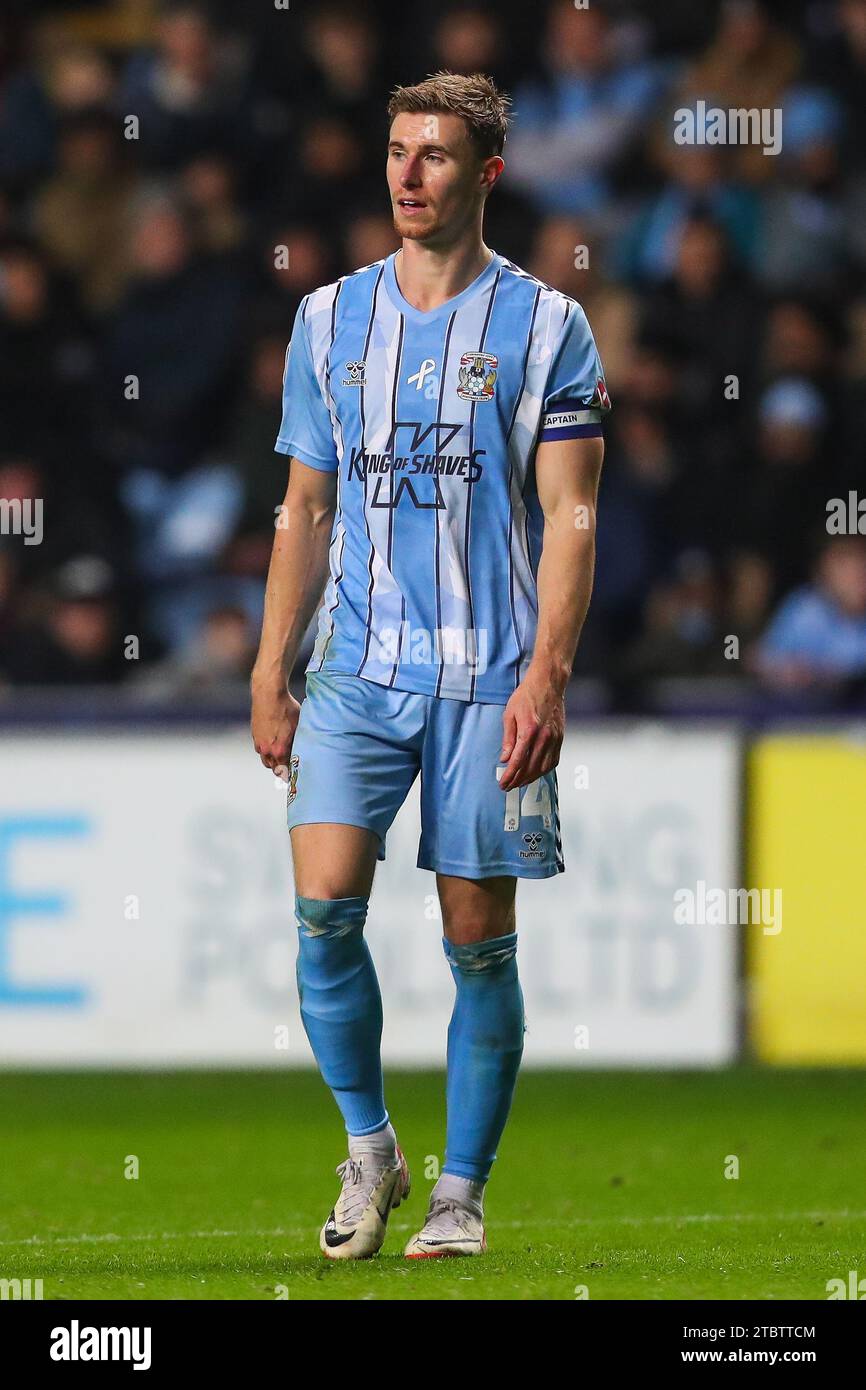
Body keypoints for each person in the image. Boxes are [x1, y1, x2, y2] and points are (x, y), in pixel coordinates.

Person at [250, 71, 609, 1260]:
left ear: (485, 175)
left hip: (488, 673)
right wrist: (270, 669)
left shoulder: (547, 325)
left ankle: (459, 1194)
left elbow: (569, 517)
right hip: (356, 668)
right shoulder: (326, 321)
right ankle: (370, 1152)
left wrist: (547, 673)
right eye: (396, 152)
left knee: (474, 940)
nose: (408, 175)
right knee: (320, 915)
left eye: (436, 156)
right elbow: (303, 508)